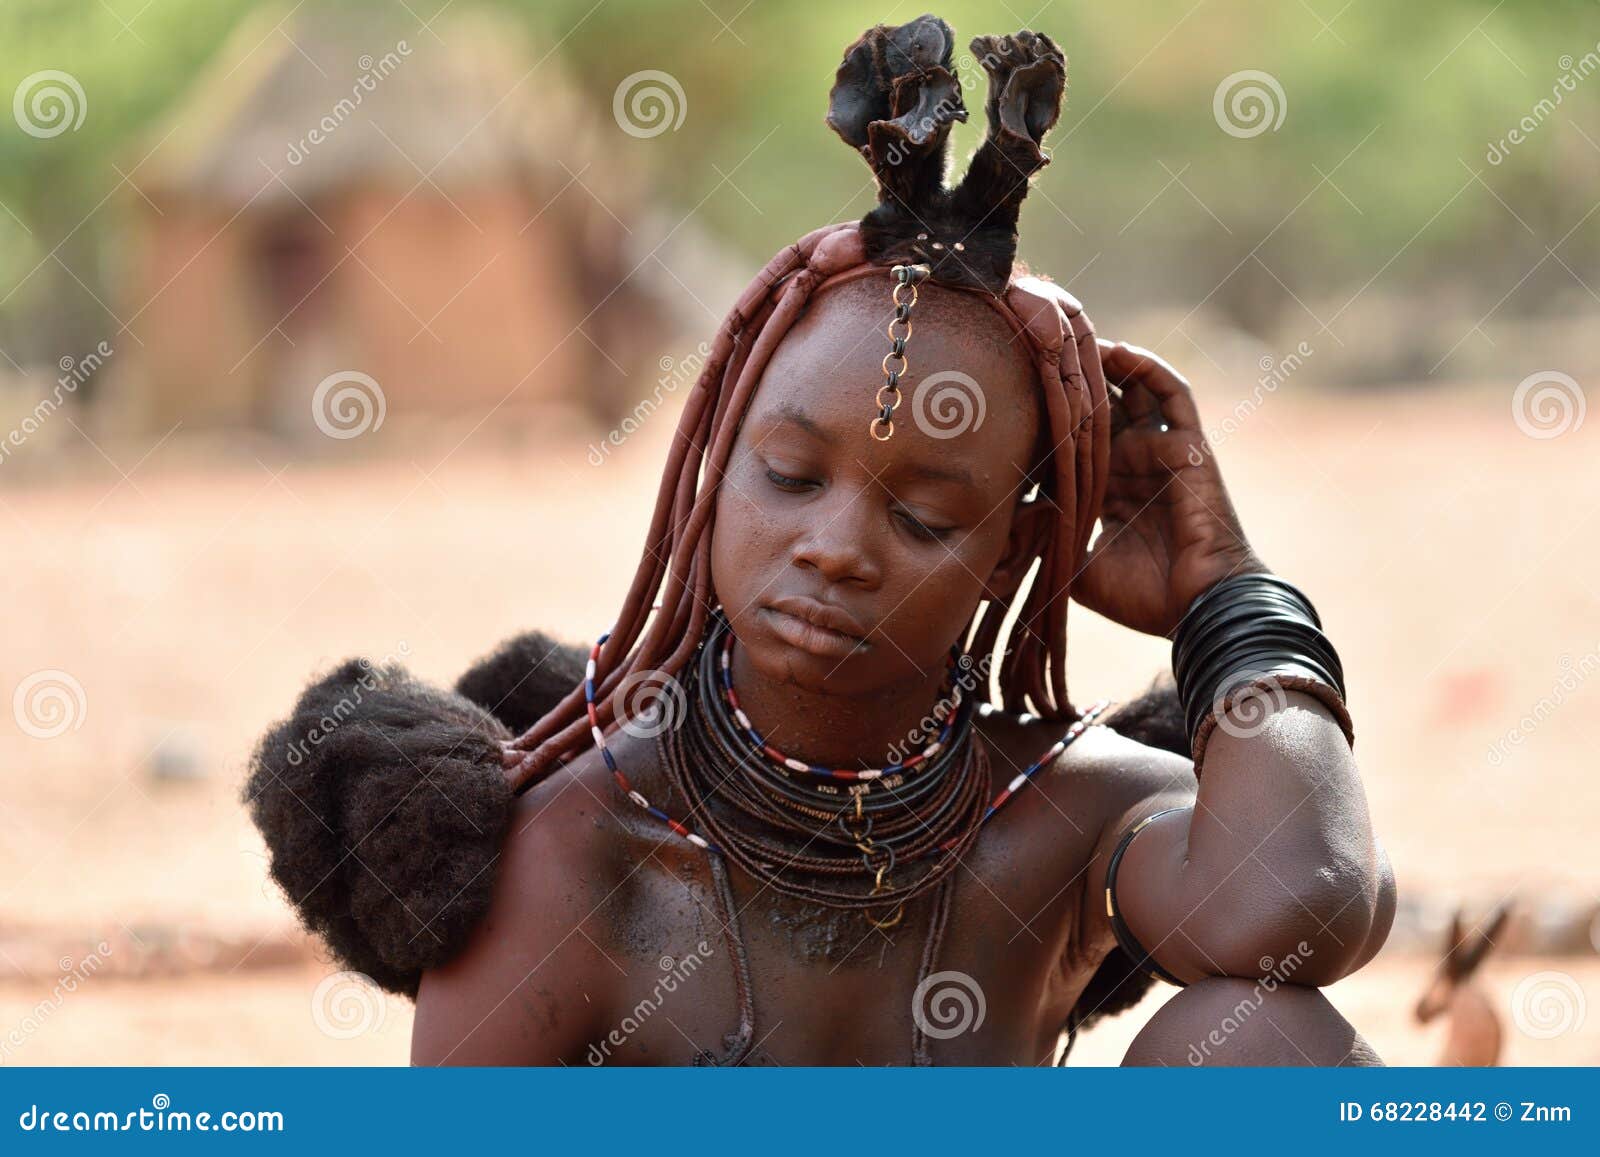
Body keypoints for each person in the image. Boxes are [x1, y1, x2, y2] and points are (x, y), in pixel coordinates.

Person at [246, 15, 1394, 1066]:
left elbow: (1301, 905)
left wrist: (1228, 598)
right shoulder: (579, 853)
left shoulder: (1066, 811)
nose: (837, 546)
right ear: (710, 474)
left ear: (1007, 554)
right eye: (790, 476)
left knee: (1254, 1035)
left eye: (925, 516)